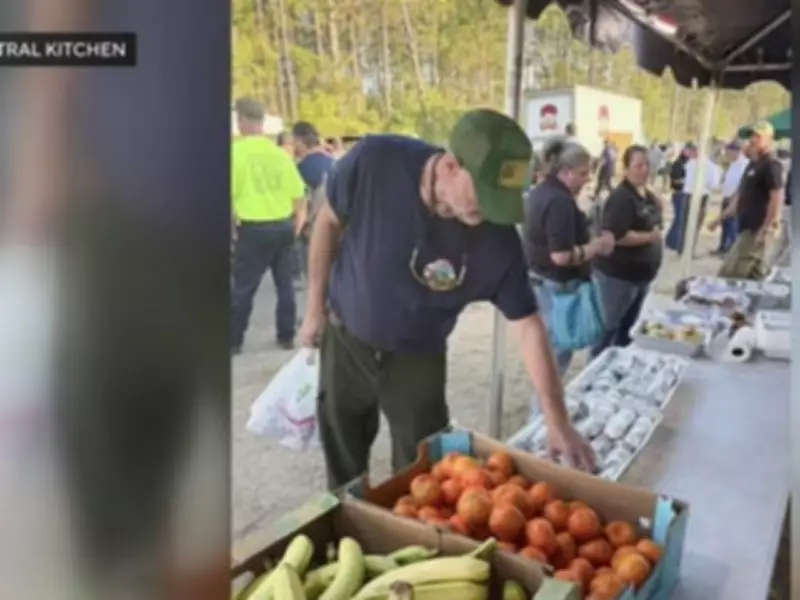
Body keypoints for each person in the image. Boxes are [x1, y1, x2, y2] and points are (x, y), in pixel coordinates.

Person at [300, 109, 595, 489]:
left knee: (422, 474)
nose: (491, 212)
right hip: (346, 338)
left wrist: (558, 421)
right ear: (451, 166)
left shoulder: (498, 239)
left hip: (418, 357)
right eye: (485, 195)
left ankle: (406, 537)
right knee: (343, 458)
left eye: (502, 199)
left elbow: (528, 326)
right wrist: (313, 308)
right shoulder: (377, 161)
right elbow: (327, 223)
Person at [524, 138, 615, 375]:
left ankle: (544, 408)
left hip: (542, 282)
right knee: (557, 356)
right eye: (583, 173)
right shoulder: (560, 201)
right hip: (558, 287)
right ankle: (545, 411)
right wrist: (596, 246)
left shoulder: (540, 192)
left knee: (550, 354)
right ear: (565, 172)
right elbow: (561, 256)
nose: (588, 180)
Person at [231, 99, 306, 353]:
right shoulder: (281, 155)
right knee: (284, 283)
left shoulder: (235, 153)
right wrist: (297, 225)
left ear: (241, 120)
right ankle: (286, 336)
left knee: (244, 286)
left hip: (253, 227)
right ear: (262, 123)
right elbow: (299, 196)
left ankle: (234, 340)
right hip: (282, 225)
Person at [592, 145, 663, 356]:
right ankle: (594, 371)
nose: (644, 170)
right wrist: (649, 237)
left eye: (647, 164)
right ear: (626, 169)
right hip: (618, 278)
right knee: (608, 329)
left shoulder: (649, 196)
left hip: (641, 277)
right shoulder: (620, 198)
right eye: (638, 165)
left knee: (628, 330)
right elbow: (615, 236)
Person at [709, 121, 784, 280]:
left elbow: (776, 196)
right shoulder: (753, 164)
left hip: (756, 229)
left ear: (769, 139)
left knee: (730, 274)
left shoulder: (771, 165)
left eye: (758, 136)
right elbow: (741, 197)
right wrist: (719, 219)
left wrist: (767, 228)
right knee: (753, 276)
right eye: (752, 136)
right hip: (745, 226)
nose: (753, 140)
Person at [291, 121, 335, 283]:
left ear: (301, 141)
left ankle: (303, 276)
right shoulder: (333, 161)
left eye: (294, 141)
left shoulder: (301, 168)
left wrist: (305, 220)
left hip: (314, 220)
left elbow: (300, 199)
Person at [681, 146, 721, 256]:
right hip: (694, 194)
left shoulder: (708, 166)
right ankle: (687, 249)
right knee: (691, 223)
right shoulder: (692, 163)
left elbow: (713, 184)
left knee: (689, 223)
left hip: (697, 195)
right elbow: (714, 184)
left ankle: (685, 248)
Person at [714, 141, 749, 255]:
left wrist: (733, 197)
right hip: (726, 197)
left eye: (728, 152)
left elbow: (742, 184)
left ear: (735, 151)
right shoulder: (732, 164)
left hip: (734, 200)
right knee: (725, 224)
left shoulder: (744, 164)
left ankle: (731, 250)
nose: (726, 154)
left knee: (732, 226)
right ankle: (723, 247)